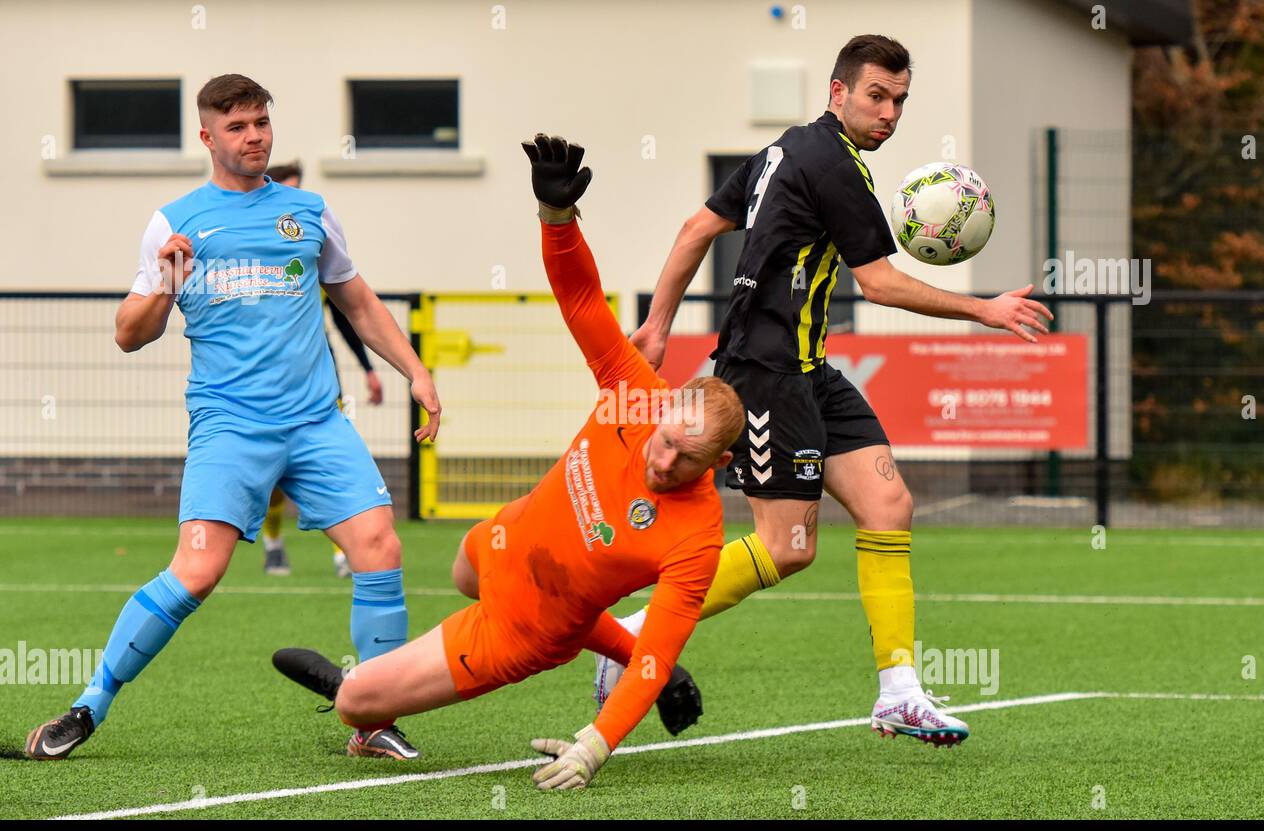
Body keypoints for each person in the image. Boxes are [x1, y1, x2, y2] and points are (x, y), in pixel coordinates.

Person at [597, 35, 1054, 747]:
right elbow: (878, 282)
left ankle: (899, 692)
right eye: (877, 95)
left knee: (888, 503)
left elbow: (697, 229)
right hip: (765, 374)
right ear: (838, 92)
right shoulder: (833, 165)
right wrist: (983, 309)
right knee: (788, 547)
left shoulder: (787, 148)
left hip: (807, 367)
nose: (890, 112)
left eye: (900, 100)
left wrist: (657, 325)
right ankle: (628, 637)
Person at [273, 134, 744, 790]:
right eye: (664, 439)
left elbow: (658, 651)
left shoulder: (698, 537)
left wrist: (596, 745)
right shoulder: (638, 394)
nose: (661, 460)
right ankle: (395, 678)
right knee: (462, 571)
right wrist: (556, 219)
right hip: (500, 538)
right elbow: (582, 302)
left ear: (720, 461)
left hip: (516, 632)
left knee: (359, 704)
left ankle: (356, 690)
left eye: (686, 458)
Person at [25, 74, 441, 762]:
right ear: (208, 136)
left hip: (316, 422)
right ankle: (87, 707)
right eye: (238, 126)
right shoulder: (174, 222)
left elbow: (358, 301)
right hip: (230, 426)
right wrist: (163, 283)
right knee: (196, 573)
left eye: (261, 122)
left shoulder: (308, 211)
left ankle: (374, 719)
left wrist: (417, 372)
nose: (254, 136)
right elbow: (129, 334)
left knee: (380, 547)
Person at [260, 160, 385, 579]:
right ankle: (274, 542)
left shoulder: (312, 248)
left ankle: (342, 551)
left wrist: (368, 368)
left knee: (332, 460)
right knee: (276, 476)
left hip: (319, 375)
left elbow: (348, 314)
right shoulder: (257, 256)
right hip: (268, 385)